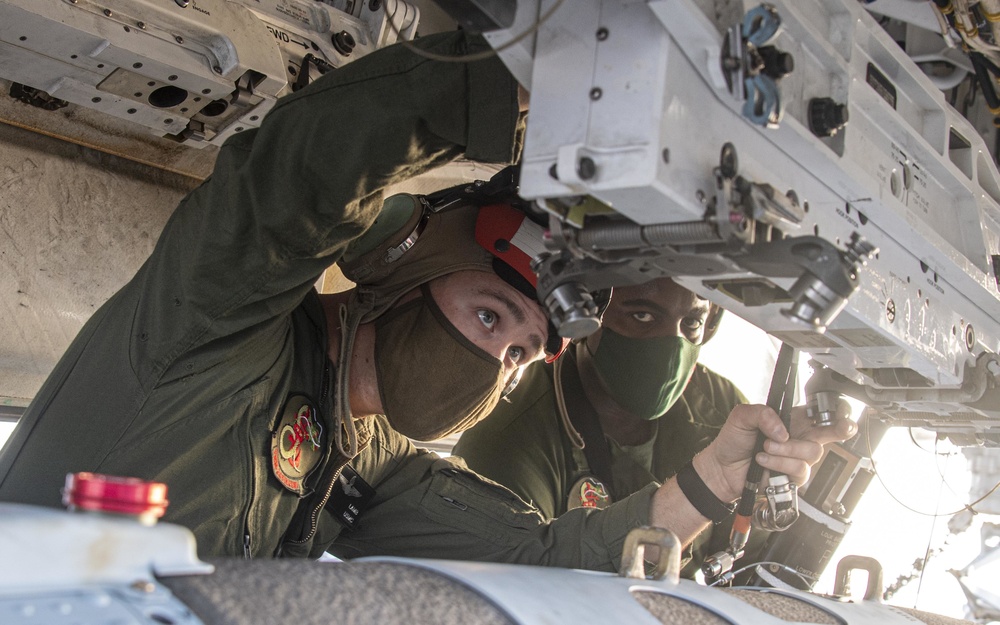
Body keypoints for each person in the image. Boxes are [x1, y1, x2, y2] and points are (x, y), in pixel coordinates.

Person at [0, 30, 855, 567]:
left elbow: (539, 551)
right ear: (403, 266)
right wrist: (541, 74)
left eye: (520, 351)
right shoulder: (221, 319)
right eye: (490, 315)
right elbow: (299, 173)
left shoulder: (367, 457)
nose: (495, 361)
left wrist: (713, 479)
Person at [454, 278, 771, 577]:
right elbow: (528, 584)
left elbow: (750, 563)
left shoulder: (723, 407)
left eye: (691, 323)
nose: (671, 344)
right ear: (586, 316)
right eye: (642, 315)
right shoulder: (507, 439)